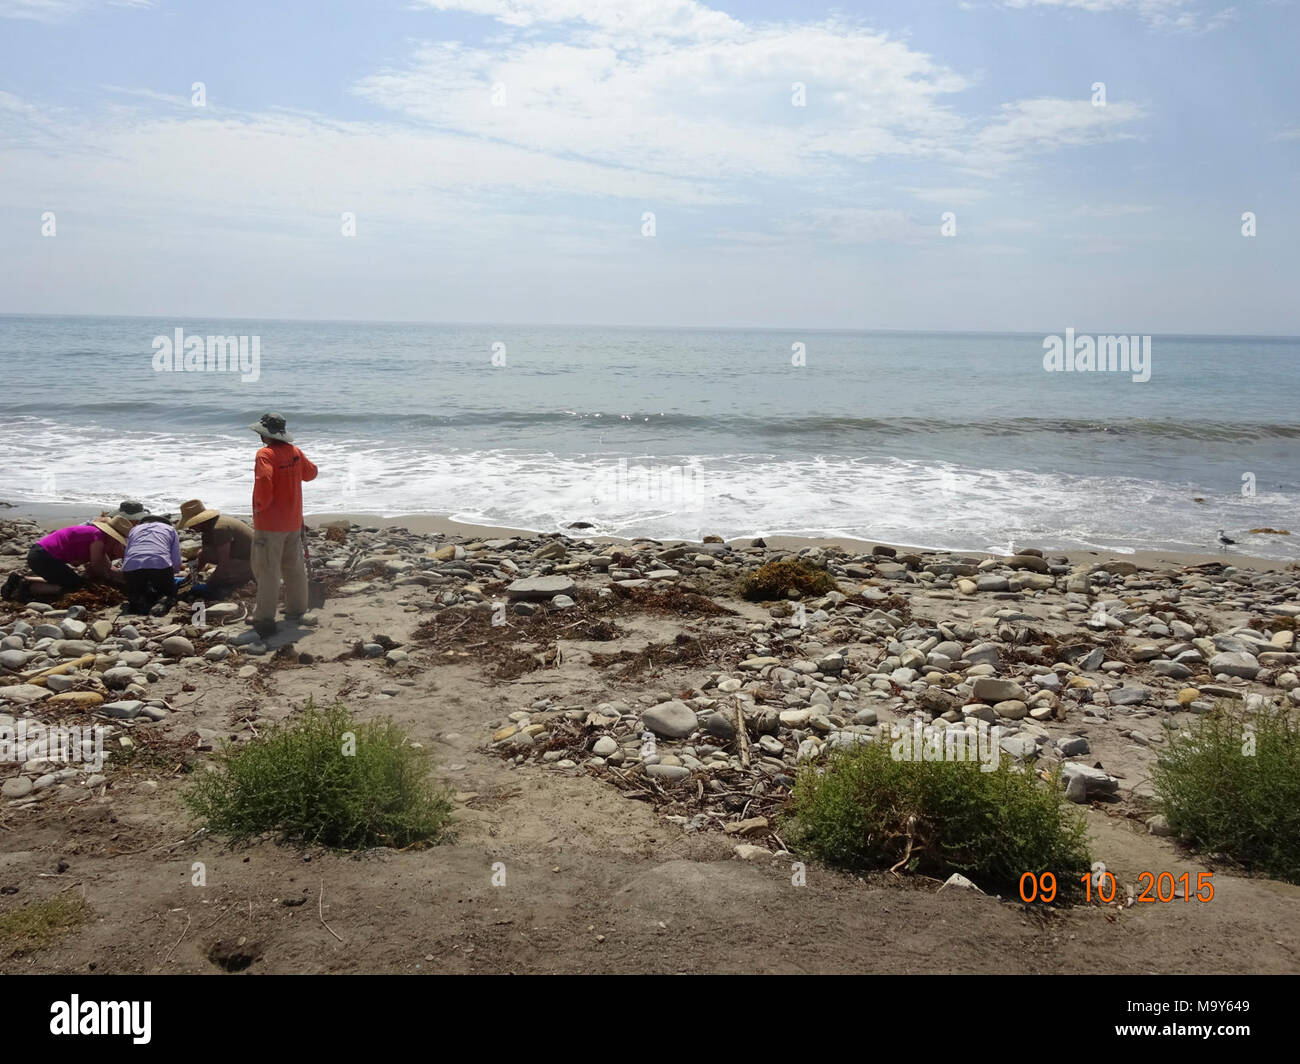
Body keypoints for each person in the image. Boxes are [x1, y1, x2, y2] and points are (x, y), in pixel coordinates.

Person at [248, 413, 318, 637]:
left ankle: (264, 617)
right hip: (292, 521)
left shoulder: (265, 454)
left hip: (270, 523)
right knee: (294, 567)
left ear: (264, 434)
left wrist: (260, 507)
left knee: (267, 570)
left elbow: (264, 481)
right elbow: (311, 473)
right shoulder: (295, 452)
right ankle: (297, 609)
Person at [2, 516, 130, 603]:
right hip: (44, 557)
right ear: (114, 537)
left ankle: (21, 579)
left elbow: (106, 566)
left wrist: (119, 576)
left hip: (40, 554)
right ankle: (27, 587)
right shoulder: (98, 537)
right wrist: (106, 581)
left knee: (68, 579)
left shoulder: (96, 535)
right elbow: (97, 566)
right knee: (74, 586)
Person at [177, 498, 255, 599]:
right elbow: (204, 554)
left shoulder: (219, 529)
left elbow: (224, 562)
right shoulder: (208, 527)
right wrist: (190, 577)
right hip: (240, 553)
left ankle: (246, 575)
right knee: (202, 553)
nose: (190, 527)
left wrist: (211, 582)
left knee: (218, 586)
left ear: (199, 521)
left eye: (191, 523)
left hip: (253, 559)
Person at [121, 511, 185, 615]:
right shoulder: (170, 529)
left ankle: (137, 598)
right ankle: (162, 601)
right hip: (159, 564)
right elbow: (176, 558)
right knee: (167, 591)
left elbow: (128, 553)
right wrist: (174, 571)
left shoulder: (134, 529)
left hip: (132, 566)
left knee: (137, 590)